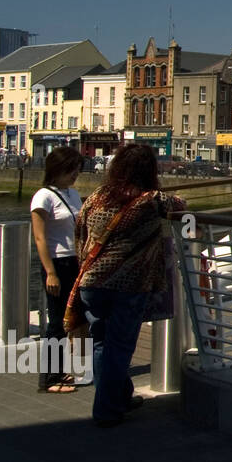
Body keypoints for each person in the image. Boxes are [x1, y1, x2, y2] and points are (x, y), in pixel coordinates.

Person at [73, 144, 186, 428]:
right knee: (119, 347)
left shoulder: (97, 197)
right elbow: (181, 206)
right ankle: (106, 409)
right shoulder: (150, 201)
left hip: (92, 281)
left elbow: (80, 233)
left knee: (102, 343)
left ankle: (119, 397)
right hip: (128, 284)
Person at [30, 147, 85, 393]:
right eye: (71, 169)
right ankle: (50, 378)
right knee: (56, 321)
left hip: (75, 261)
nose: (75, 174)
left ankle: (65, 369)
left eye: (77, 169)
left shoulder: (72, 194)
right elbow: (40, 238)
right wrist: (50, 271)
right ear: (57, 169)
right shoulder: (43, 197)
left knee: (75, 318)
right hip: (58, 263)